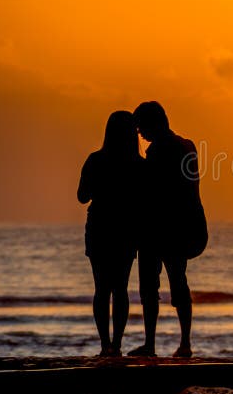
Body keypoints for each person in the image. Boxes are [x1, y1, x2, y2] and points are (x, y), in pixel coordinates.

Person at [128, 101, 206, 358]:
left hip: (159, 228)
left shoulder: (157, 153)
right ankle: (185, 343)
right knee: (178, 284)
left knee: (150, 288)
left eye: (141, 127)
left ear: (153, 124)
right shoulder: (187, 146)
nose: (139, 133)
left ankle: (152, 344)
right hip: (182, 226)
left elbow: (152, 193)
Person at [77, 111, 144, 357]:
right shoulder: (138, 164)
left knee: (101, 289)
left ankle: (105, 345)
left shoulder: (95, 160)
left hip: (100, 228)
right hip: (126, 230)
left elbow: (82, 196)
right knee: (121, 289)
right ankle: (116, 345)